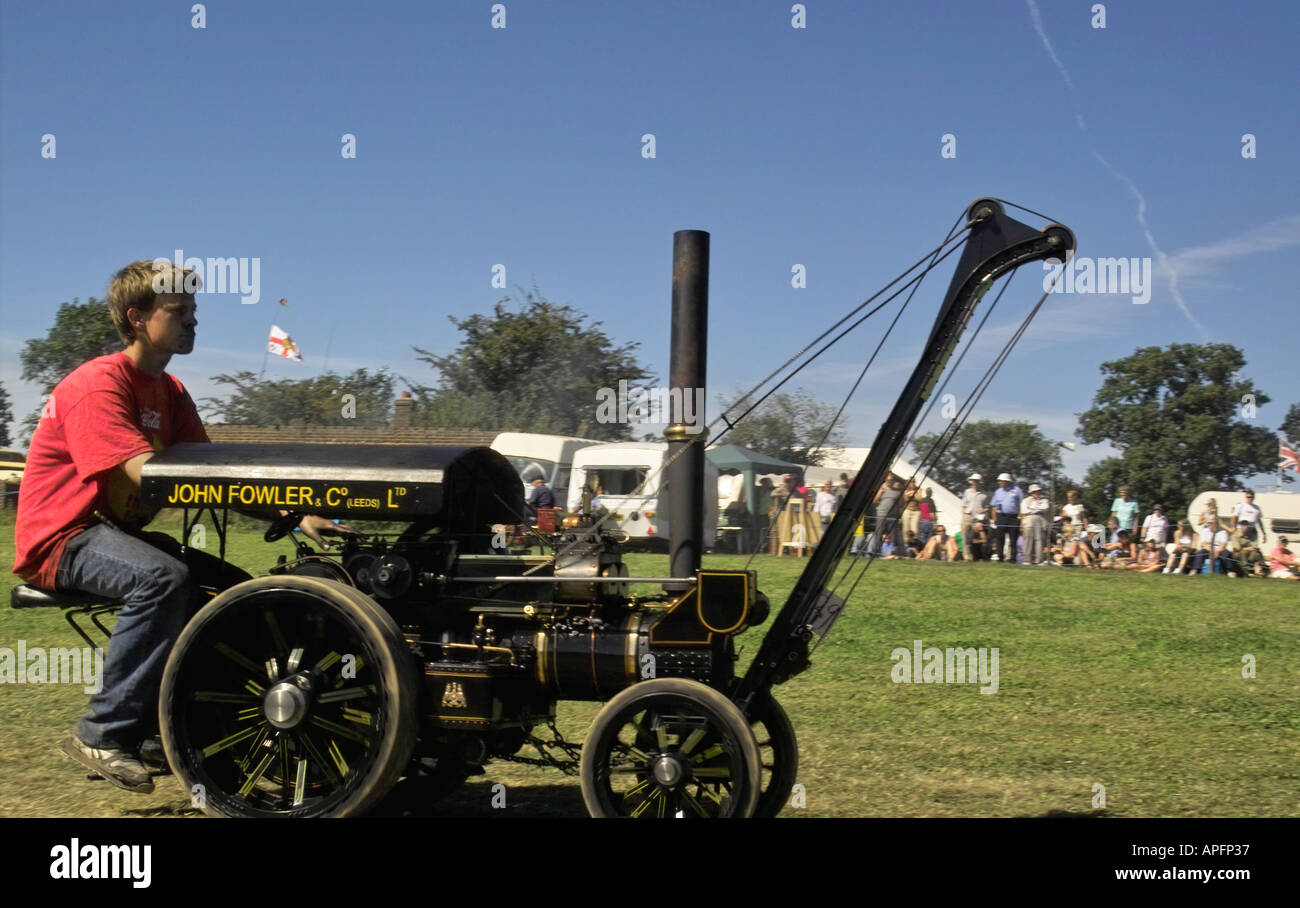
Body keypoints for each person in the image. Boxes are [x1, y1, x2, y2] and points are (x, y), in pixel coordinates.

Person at [12, 260, 345, 794]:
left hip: (113, 535)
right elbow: (146, 472)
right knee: (163, 578)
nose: (194, 321)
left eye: (194, 310)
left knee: (239, 594)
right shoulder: (97, 385)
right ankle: (101, 732)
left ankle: (167, 728)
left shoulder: (169, 392)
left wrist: (293, 512)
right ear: (137, 317)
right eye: (179, 310)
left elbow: (208, 476)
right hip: (61, 539)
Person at [987, 472, 1022, 562]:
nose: (1000, 483)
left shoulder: (1016, 490)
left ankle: (1012, 558)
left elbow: (1021, 504)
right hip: (1001, 516)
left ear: (1007, 481)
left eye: (1001, 481)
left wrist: (1020, 517)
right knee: (1000, 538)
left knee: (1013, 539)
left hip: (1013, 517)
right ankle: (1000, 557)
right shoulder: (998, 492)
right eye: (1000, 481)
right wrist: (994, 518)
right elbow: (994, 506)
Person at [867, 476, 902, 556]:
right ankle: (877, 552)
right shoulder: (881, 489)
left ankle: (891, 553)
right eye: (888, 480)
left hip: (892, 516)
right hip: (881, 514)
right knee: (879, 534)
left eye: (891, 480)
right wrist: (880, 492)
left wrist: (899, 515)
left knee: (892, 535)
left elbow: (900, 504)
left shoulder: (897, 491)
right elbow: (874, 501)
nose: (890, 481)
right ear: (885, 480)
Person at [960, 473, 987, 562]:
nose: (974, 483)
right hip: (968, 516)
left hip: (978, 519)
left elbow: (987, 507)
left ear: (979, 482)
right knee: (965, 537)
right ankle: (967, 556)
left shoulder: (984, 494)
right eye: (973, 481)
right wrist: (964, 515)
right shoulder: (967, 492)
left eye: (976, 481)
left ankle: (977, 556)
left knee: (976, 538)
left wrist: (983, 511)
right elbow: (963, 505)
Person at [1021, 483, 1051, 564]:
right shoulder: (1025, 500)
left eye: (1038, 491)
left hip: (1040, 519)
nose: (1036, 493)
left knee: (1040, 539)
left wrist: (1031, 508)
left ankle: (1040, 560)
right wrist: (1037, 508)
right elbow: (1024, 511)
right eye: (1034, 492)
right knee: (1028, 539)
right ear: (1031, 492)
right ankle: (1027, 560)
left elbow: (1045, 508)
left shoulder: (1044, 500)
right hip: (1028, 519)